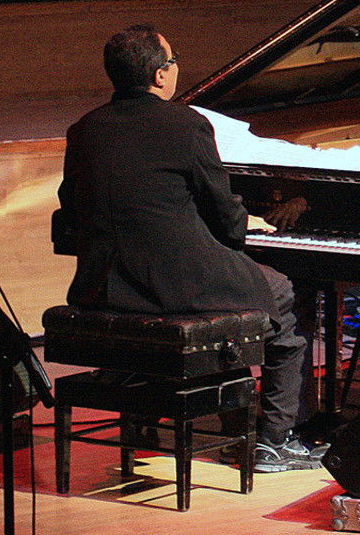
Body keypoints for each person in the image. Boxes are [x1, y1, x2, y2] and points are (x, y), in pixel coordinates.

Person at [56, 24, 321, 472]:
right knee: (281, 297)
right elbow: (227, 220)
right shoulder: (187, 124)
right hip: (174, 287)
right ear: (160, 76)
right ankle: (274, 442)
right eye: (173, 60)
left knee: (249, 299)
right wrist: (244, 222)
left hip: (104, 285)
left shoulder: (84, 130)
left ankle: (153, 415)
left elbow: (70, 211)